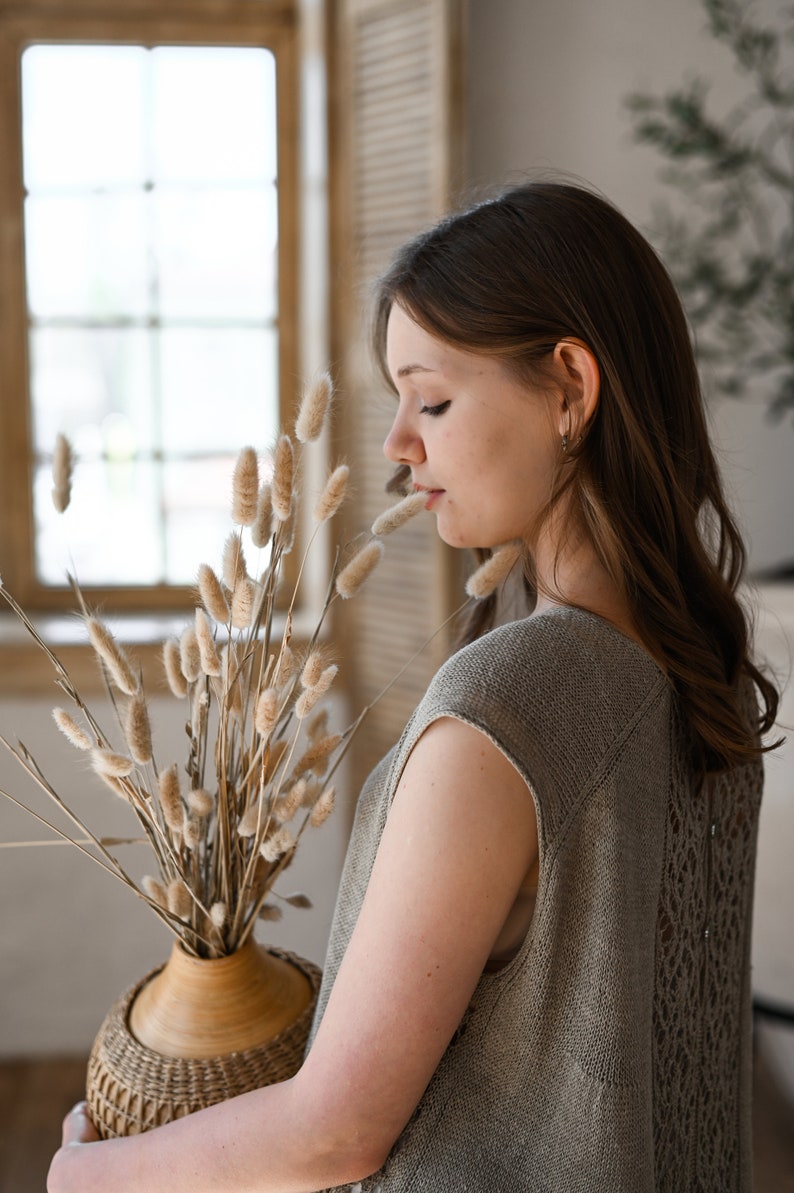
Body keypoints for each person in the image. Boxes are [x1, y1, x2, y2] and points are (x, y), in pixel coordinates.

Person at [48, 180, 779, 1193]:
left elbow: (331, 1134)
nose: (397, 442)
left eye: (429, 397)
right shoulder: (705, 670)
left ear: (569, 383)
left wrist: (86, 1175)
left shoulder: (509, 702)